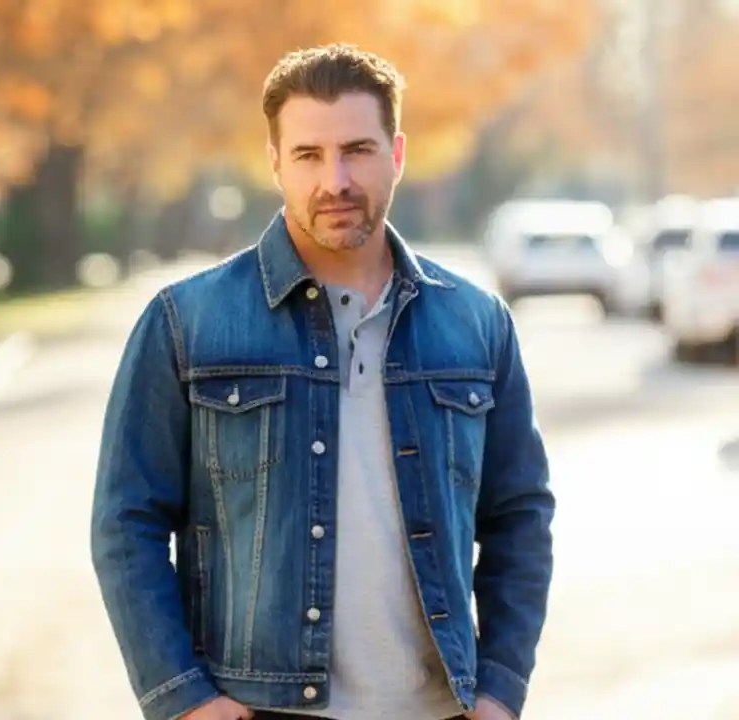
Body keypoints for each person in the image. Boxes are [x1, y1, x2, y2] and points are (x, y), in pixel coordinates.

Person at [90, 44, 553, 720]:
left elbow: (519, 517)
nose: (334, 180)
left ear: (397, 155)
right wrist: (182, 697)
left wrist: (500, 690)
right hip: (261, 709)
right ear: (275, 162)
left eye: (357, 150)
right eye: (308, 155)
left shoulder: (476, 323)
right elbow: (125, 521)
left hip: (441, 710)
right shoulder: (186, 323)